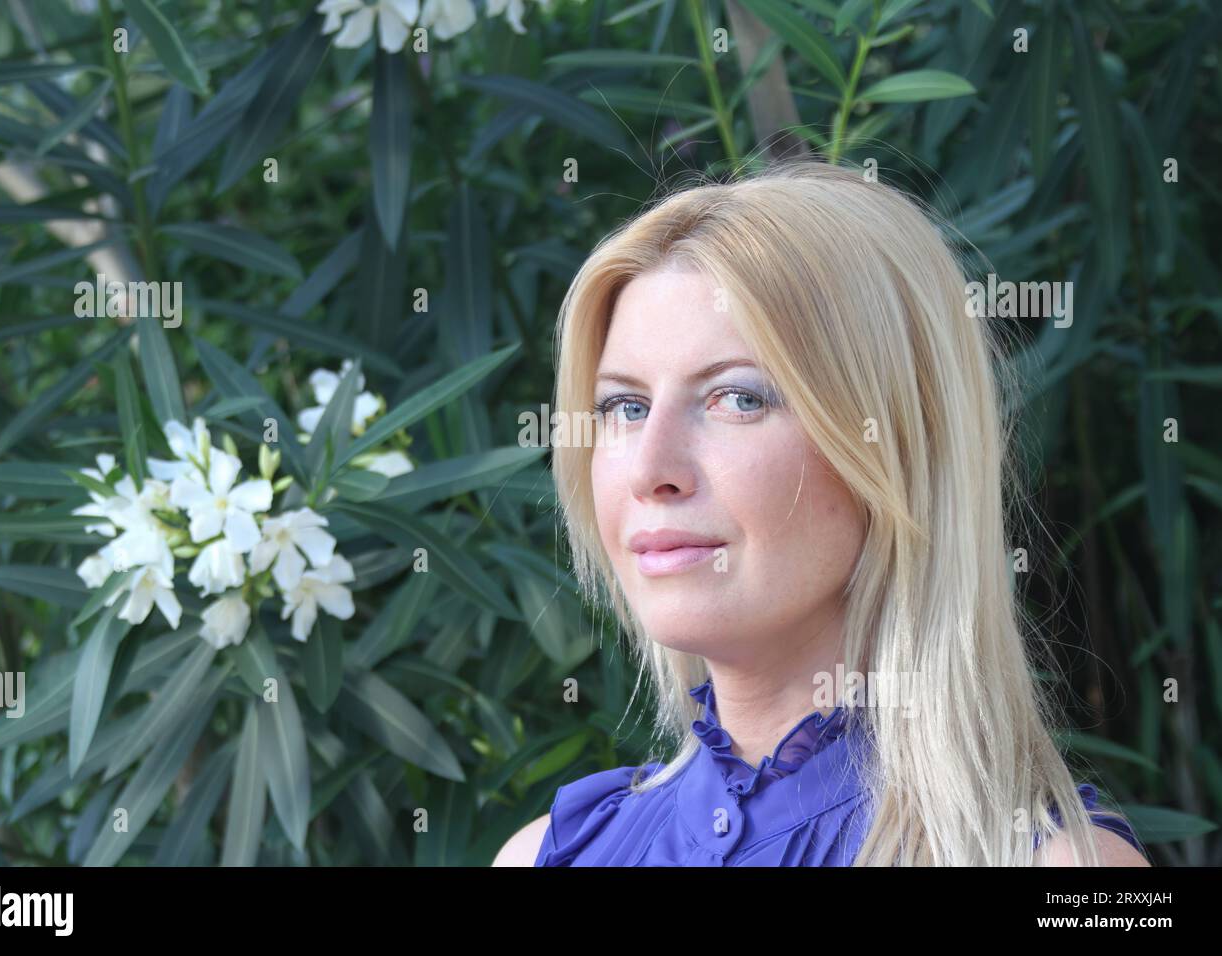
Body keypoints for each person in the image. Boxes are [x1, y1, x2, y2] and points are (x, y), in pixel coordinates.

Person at [493, 159, 1150, 866]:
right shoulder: (547, 855)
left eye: (738, 398)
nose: (651, 470)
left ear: (895, 446)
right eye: (625, 407)